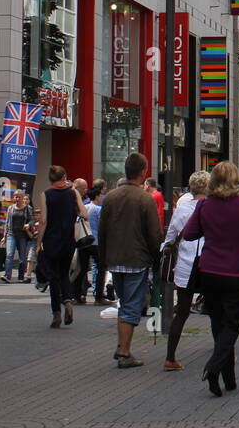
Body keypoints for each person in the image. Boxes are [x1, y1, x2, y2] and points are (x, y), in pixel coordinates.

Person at [181, 162, 239, 396]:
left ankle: (229, 377)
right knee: (234, 323)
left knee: (218, 322)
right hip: (237, 271)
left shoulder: (205, 204)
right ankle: (215, 368)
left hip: (210, 270)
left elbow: (189, 234)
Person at [97, 153, 162, 369]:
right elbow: (154, 234)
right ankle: (124, 351)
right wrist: (156, 257)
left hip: (115, 258)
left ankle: (121, 345)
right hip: (137, 259)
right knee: (132, 306)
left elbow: (102, 230)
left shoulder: (112, 197)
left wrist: (103, 258)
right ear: (143, 172)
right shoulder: (145, 199)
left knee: (124, 302)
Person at [162, 171, 210, 372]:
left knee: (181, 312)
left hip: (185, 266)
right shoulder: (212, 208)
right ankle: (226, 354)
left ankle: (170, 356)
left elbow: (170, 237)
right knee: (217, 311)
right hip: (209, 264)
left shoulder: (181, 209)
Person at [34, 165, 88, 329]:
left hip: (51, 240)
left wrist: (38, 243)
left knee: (53, 276)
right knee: (64, 273)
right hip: (68, 240)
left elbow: (43, 221)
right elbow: (84, 213)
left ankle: (56, 313)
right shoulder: (73, 192)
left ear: (51, 179)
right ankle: (68, 301)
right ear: (64, 176)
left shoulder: (45, 195)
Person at [0, 190, 34, 284]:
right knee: (9, 255)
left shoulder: (28, 208)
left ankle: (21, 276)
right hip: (11, 234)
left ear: (22, 198)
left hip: (22, 235)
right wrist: (5, 236)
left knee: (22, 258)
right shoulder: (11, 208)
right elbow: (7, 222)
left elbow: (32, 220)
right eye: (15, 197)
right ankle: (7, 276)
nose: (17, 199)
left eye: (19, 197)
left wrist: (28, 225)